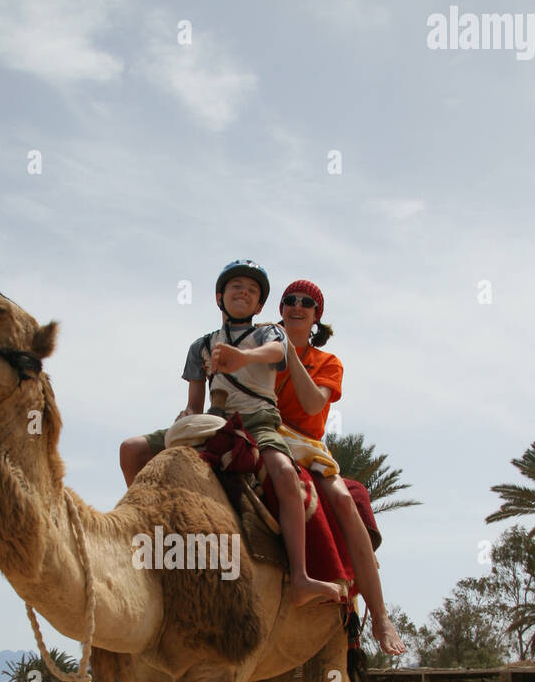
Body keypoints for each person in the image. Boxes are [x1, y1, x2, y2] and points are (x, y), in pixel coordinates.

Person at [121, 260, 342, 607]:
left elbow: (276, 352)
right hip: (214, 421)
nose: (244, 292)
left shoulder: (271, 335)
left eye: (252, 291)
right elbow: (195, 401)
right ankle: (143, 536)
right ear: (220, 297)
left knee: (285, 474)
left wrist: (243, 357)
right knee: (131, 449)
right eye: (236, 286)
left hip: (258, 421)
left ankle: (300, 576)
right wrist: (187, 415)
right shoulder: (201, 346)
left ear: (259, 306)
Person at [274, 279, 405, 655]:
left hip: (306, 446)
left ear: (316, 317)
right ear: (280, 308)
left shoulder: (327, 363)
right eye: (289, 301)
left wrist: (287, 354)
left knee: (344, 501)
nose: (296, 307)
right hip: (261, 435)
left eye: (306, 303)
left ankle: (380, 616)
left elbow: (314, 405)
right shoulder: (261, 345)